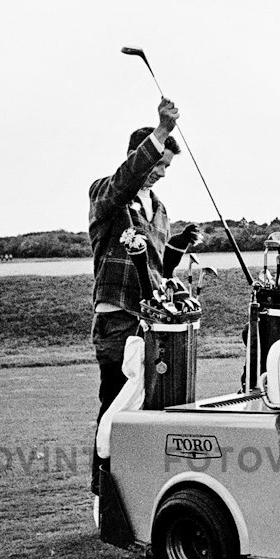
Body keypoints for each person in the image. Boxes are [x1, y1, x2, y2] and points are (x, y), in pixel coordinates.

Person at [88, 97, 201, 497]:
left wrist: (179, 245)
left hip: (151, 320)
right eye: (156, 164)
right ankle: (104, 494)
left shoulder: (160, 208)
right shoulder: (107, 193)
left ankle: (139, 493)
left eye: (167, 167)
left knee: (149, 408)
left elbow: (157, 270)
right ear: (138, 156)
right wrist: (162, 130)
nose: (161, 173)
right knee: (116, 405)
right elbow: (126, 179)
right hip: (118, 318)